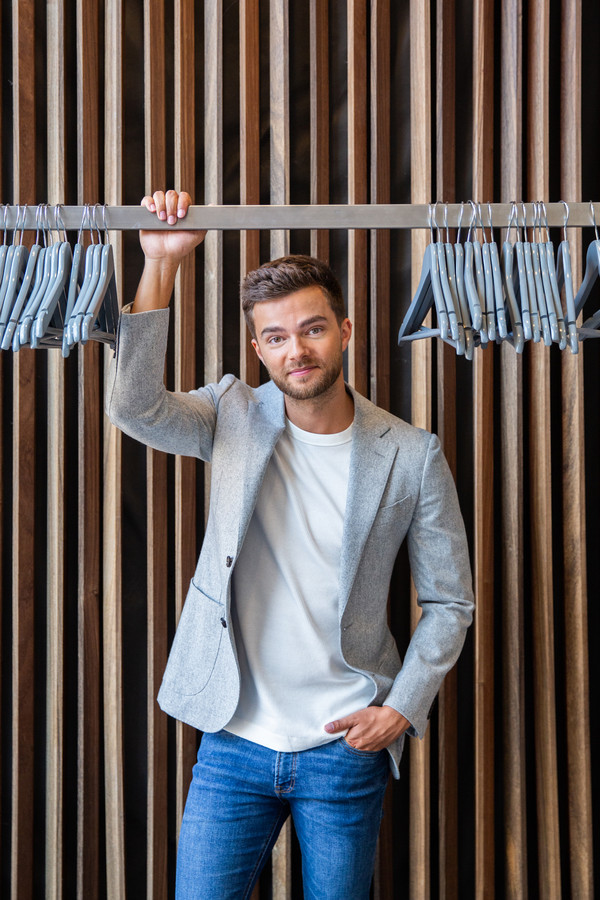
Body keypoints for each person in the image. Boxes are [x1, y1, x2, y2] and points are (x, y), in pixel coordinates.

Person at [106, 190, 474, 900]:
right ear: (257, 348)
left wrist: (402, 706)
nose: (296, 350)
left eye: (311, 330)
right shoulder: (232, 414)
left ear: (344, 330)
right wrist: (161, 264)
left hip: (344, 746)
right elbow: (134, 406)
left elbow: (451, 600)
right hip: (232, 741)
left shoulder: (411, 453)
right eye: (276, 337)